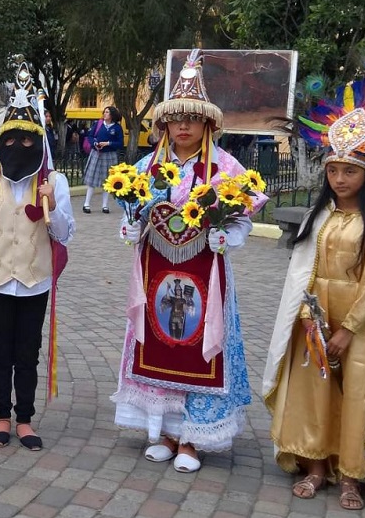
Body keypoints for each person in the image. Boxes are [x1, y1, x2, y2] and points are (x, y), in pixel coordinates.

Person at [111, 50, 267, 473]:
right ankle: (163, 432)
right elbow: (137, 211)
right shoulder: (149, 166)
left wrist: (227, 235)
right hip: (158, 274)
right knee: (159, 343)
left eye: (192, 119)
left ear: (206, 125)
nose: (183, 126)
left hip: (205, 276)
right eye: (176, 119)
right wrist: (130, 229)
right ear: (164, 124)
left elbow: (243, 217)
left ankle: (194, 440)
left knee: (199, 349)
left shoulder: (225, 168)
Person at [263, 76, 365, 510]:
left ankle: (353, 475)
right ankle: (316, 467)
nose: (340, 178)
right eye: (333, 170)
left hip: (361, 324)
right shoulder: (315, 219)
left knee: (356, 394)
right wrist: (307, 318)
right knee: (314, 391)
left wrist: (349, 328)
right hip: (313, 320)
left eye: (350, 171)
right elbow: (302, 276)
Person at [0, 60, 74, 450]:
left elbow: (64, 234)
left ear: (39, 142)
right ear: (0, 141)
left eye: (28, 140)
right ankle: (2, 415)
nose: (19, 147)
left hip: (34, 281)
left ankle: (25, 418)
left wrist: (51, 207)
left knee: (28, 351)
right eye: (11, 139)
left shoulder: (53, 182)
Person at [82, 105, 124, 213]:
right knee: (92, 180)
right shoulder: (98, 124)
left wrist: (108, 143)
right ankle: (86, 204)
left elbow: (120, 143)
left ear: (112, 115)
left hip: (109, 155)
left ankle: (105, 206)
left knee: (107, 181)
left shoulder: (117, 128)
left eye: (107, 112)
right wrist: (95, 143)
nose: (105, 114)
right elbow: (90, 136)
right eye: (104, 112)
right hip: (96, 153)